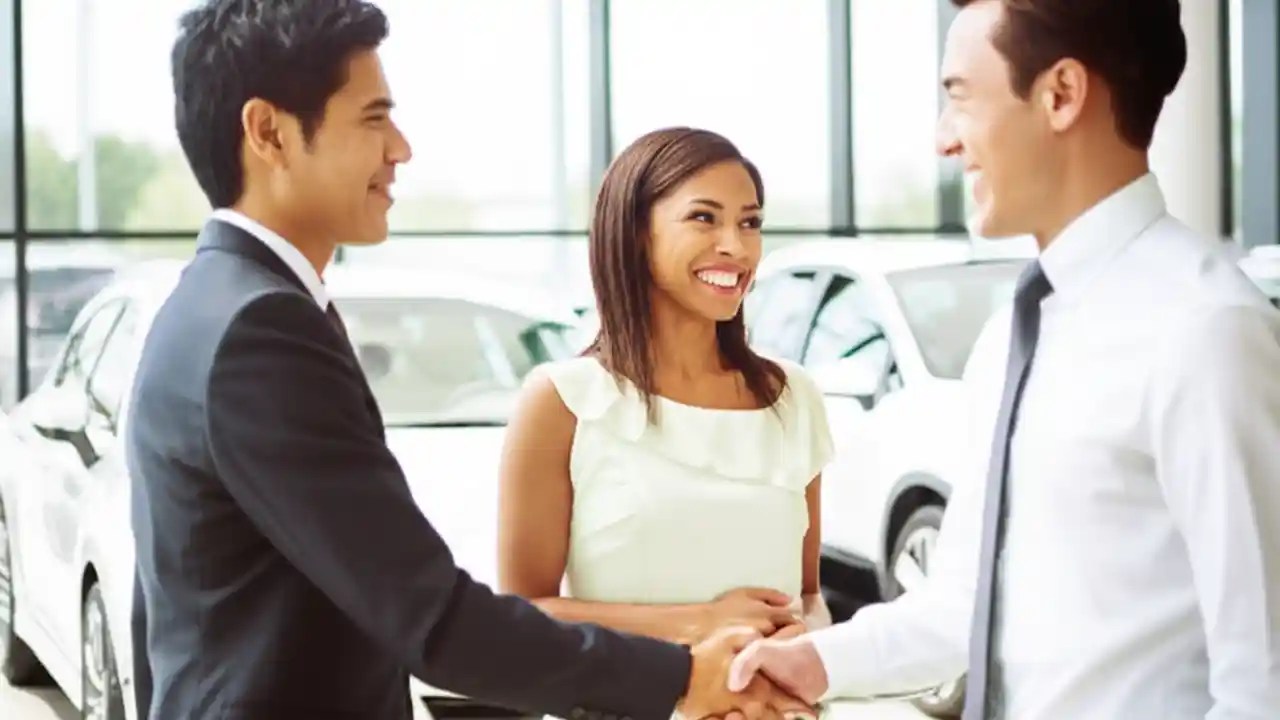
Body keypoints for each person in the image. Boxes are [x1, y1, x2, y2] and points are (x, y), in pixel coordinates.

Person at [125, 2, 799, 719]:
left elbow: (164, 619)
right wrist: (679, 677)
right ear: (269, 133)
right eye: (373, 118)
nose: (401, 149)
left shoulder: (213, 306)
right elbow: (434, 620)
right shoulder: (259, 330)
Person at [727, 1, 1280, 718]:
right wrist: (809, 662)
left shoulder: (1206, 330)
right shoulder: (1011, 338)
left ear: (1061, 95)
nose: (943, 141)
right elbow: (968, 605)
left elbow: (1263, 678)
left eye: (958, 97)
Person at [496, 127, 835, 666]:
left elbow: (809, 597)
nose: (736, 245)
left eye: (750, 223)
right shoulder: (564, 400)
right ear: (635, 234)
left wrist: (803, 640)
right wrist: (698, 623)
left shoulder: (793, 398)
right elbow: (522, 616)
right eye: (705, 218)